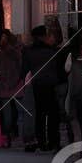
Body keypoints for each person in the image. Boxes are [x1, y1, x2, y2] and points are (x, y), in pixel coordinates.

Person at [20, 25, 63, 154]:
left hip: (36, 84)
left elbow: (24, 70)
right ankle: (53, 141)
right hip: (51, 84)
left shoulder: (28, 51)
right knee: (53, 114)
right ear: (44, 36)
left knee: (39, 114)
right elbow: (59, 69)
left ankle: (41, 141)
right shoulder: (53, 51)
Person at [0, 30, 24, 146]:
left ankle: (10, 135)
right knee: (10, 113)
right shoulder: (0, 50)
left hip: (8, 84)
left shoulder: (12, 50)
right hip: (8, 84)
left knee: (12, 112)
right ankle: (9, 135)